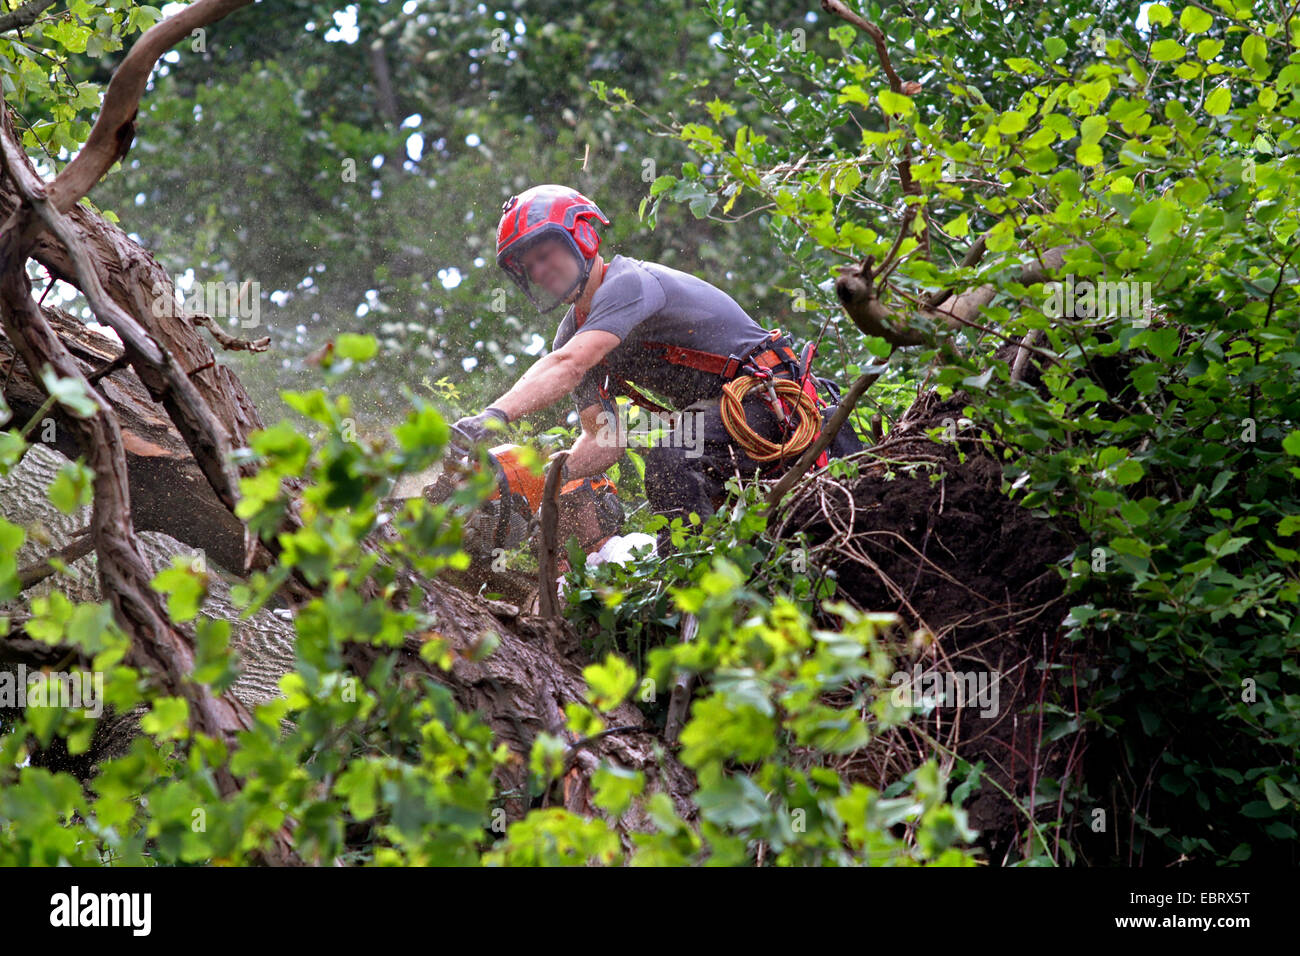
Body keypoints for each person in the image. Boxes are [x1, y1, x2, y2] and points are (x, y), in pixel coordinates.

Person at [451, 184, 863, 553]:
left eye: (544, 255)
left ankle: (688, 584)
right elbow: (604, 439)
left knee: (672, 454)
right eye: (530, 266)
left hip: (772, 399)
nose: (540, 272)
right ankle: (704, 566)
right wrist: (549, 481)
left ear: (581, 237)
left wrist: (491, 417)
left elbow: (569, 365)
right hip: (726, 417)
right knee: (680, 452)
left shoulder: (628, 283)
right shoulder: (570, 336)